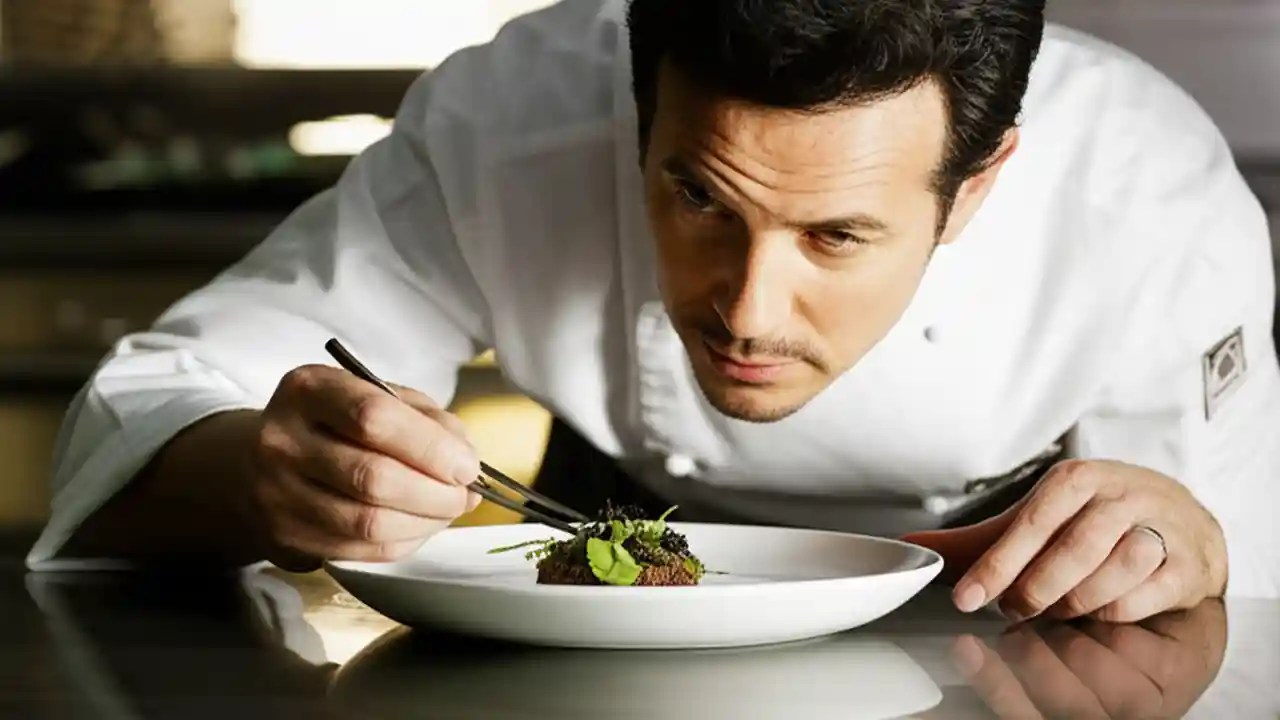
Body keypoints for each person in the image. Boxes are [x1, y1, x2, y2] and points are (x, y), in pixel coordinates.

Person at [28, 0, 1280, 622]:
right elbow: (137, 416)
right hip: (584, 561)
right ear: (634, 112)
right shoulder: (508, 120)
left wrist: (1185, 545)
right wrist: (267, 472)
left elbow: (1233, 593)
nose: (746, 307)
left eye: (836, 234)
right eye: (697, 195)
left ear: (976, 185)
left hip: (984, 610)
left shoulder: (1147, 200)